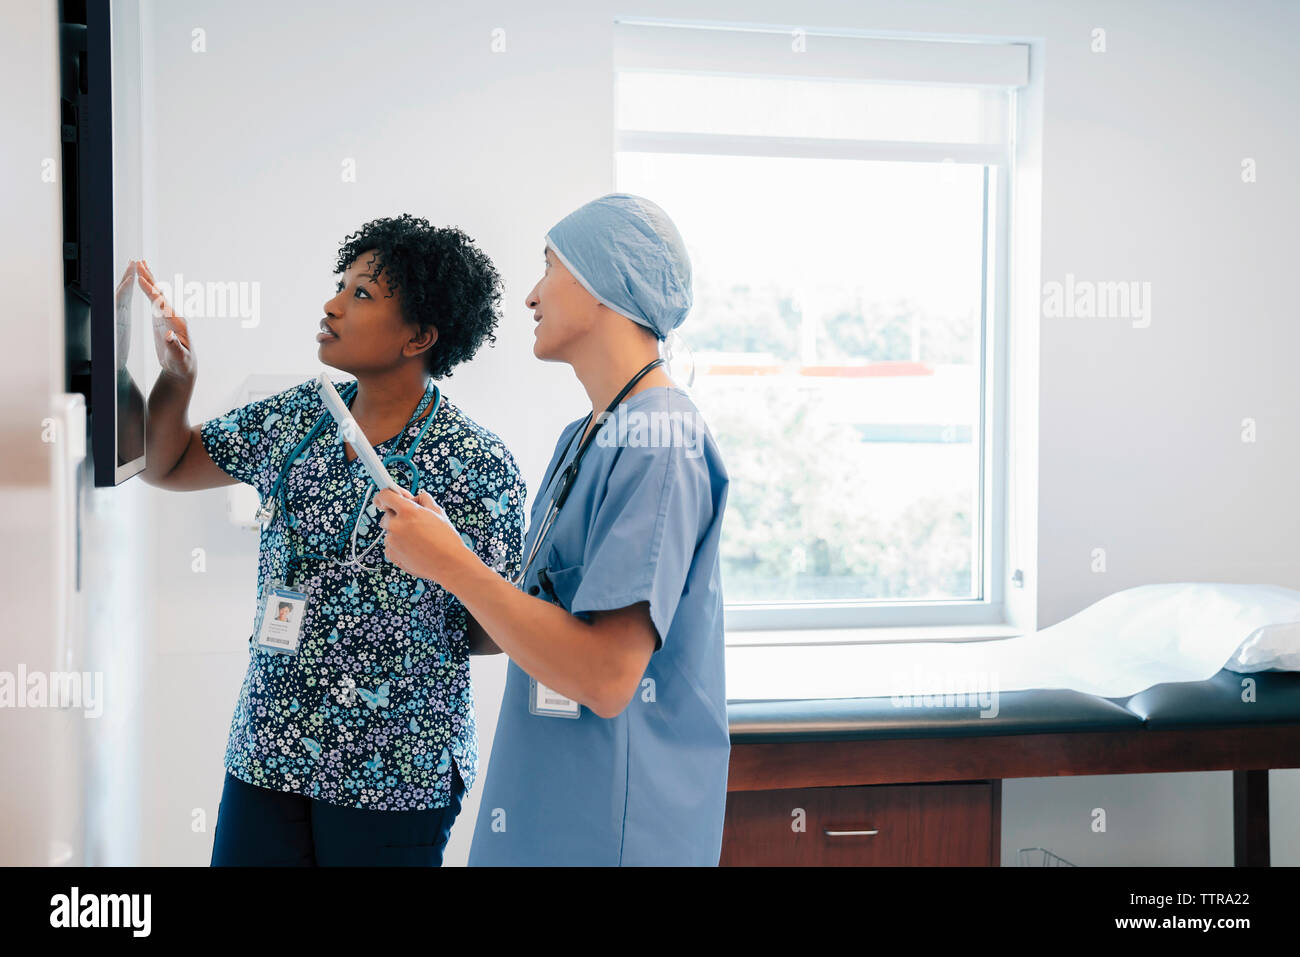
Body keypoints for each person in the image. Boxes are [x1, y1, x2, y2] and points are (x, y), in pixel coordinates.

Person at [139, 214, 526, 866]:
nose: (332, 304)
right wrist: (178, 379)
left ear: (421, 336)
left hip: (395, 772)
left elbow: (491, 635)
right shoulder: (298, 415)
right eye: (341, 285)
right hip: (271, 750)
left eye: (363, 294)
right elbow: (167, 463)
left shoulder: (478, 461)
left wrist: (448, 561)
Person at [375, 194, 730, 865]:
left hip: (610, 827)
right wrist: (439, 558)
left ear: (604, 284)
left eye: (549, 267)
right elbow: (540, 620)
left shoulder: (660, 438)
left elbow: (604, 676)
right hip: (545, 806)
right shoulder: (587, 435)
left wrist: (456, 565)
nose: (532, 295)